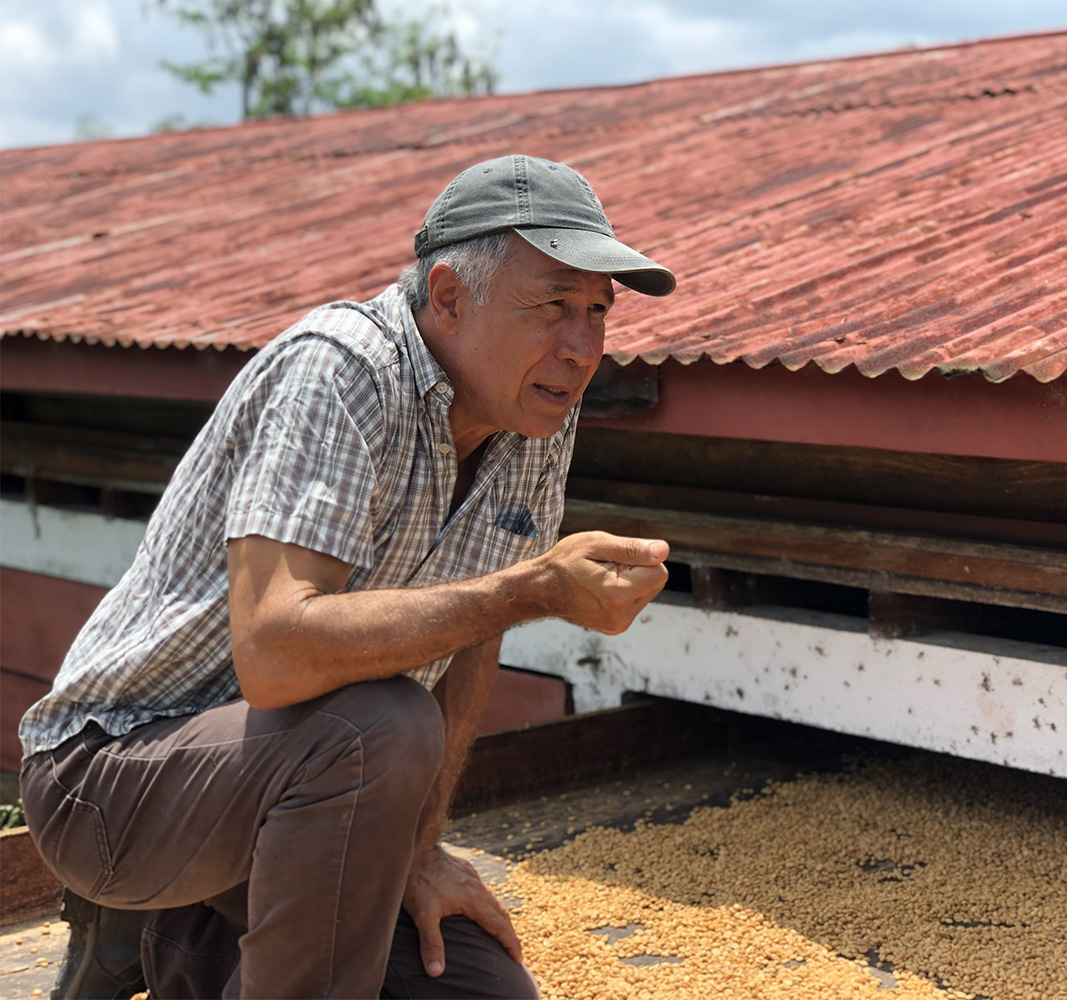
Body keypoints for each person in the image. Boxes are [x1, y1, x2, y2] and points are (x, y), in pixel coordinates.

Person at [17, 153, 676, 999]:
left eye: (596, 311)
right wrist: (528, 588)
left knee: (480, 990)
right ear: (447, 296)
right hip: (112, 778)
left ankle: (170, 945)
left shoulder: (534, 406)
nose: (581, 347)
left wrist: (420, 849)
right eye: (552, 305)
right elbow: (275, 654)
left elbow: (469, 630)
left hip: (301, 794)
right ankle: (139, 913)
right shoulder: (341, 370)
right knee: (376, 725)